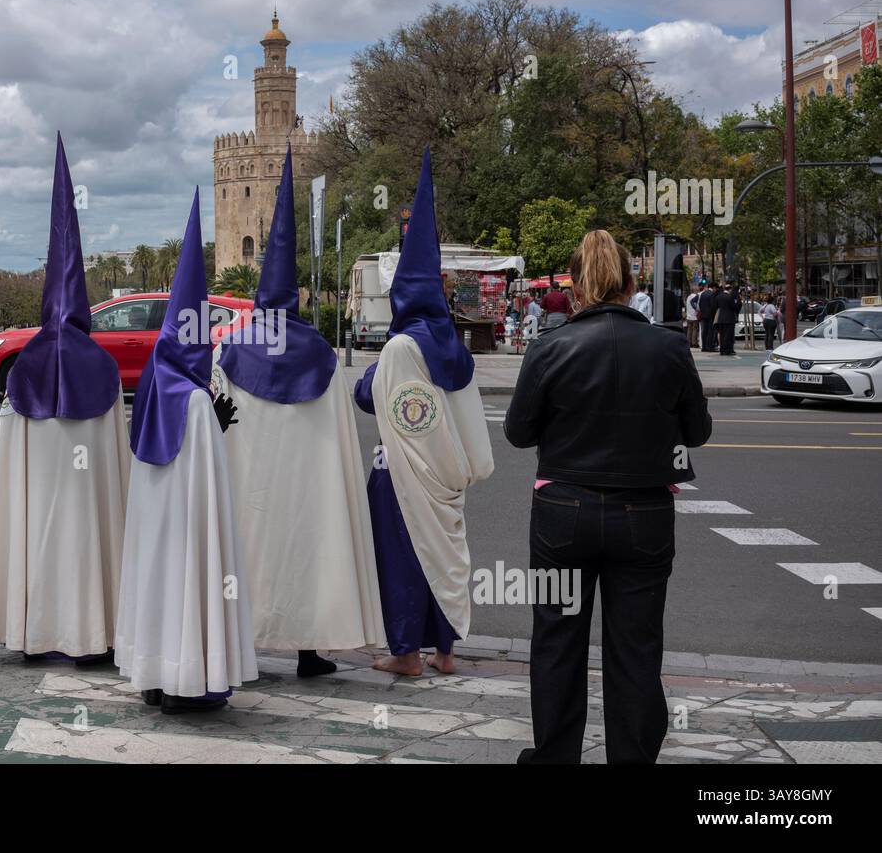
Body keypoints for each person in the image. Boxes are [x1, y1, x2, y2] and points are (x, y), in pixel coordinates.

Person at [505, 229, 711, 763]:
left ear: (575, 288)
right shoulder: (668, 345)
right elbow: (699, 431)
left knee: (557, 642)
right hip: (643, 511)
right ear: (630, 281)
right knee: (636, 648)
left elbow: (518, 432)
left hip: (562, 511)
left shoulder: (550, 346)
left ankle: (554, 757)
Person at [215, 147, 385, 678]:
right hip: (308, 486)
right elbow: (337, 430)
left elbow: (217, 422)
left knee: (248, 551)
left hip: (250, 486)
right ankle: (310, 651)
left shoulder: (233, 351)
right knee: (308, 550)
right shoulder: (321, 355)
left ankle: (244, 644)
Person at [0, 135, 129, 665]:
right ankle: (91, 634)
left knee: (32, 529)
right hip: (87, 483)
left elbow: (7, 455)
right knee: (90, 532)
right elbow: (119, 462)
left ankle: (32, 634)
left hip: (40, 480)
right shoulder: (102, 367)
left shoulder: (27, 365)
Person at [114, 188, 257, 715]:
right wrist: (214, 429)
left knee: (158, 583)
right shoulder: (196, 399)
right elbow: (210, 481)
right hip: (189, 522)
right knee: (194, 577)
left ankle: (155, 674)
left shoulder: (154, 382)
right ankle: (195, 676)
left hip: (156, 520)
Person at [353, 149, 494, 677]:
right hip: (449, 474)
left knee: (404, 559)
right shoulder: (455, 346)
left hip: (402, 473)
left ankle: (406, 653)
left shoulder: (398, 351)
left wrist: (374, 375)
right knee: (446, 555)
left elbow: (370, 399)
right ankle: (445, 651)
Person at [716, 282, 739, 356]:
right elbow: (734, 307)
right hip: (729, 319)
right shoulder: (730, 297)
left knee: (722, 335)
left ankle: (722, 350)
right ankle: (727, 350)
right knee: (728, 335)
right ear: (730, 289)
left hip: (721, 318)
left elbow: (716, 306)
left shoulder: (719, 296)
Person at [698, 281, 718, 352]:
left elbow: (700, 304)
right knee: (710, 331)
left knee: (704, 331)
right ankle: (709, 347)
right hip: (710, 316)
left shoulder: (703, 293)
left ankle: (704, 347)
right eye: (716, 288)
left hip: (703, 315)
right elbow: (713, 306)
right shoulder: (712, 294)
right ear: (714, 287)